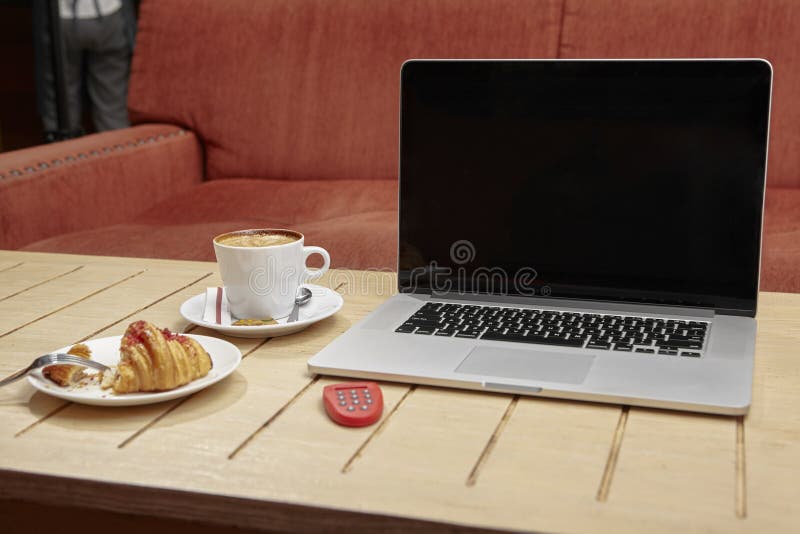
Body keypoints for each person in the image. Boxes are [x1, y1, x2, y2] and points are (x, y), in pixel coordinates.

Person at [33, 0, 137, 141]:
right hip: (111, 13)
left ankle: (66, 156)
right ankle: (119, 156)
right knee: (113, 113)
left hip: (60, 19)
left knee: (61, 113)